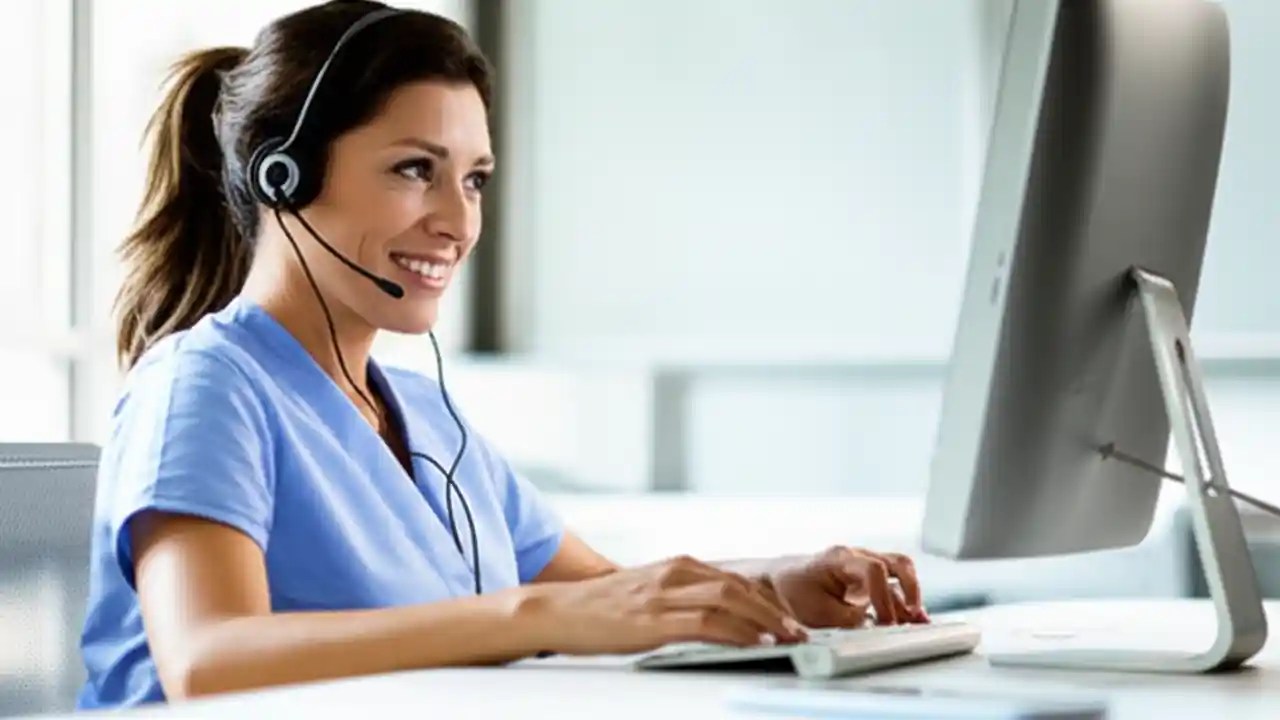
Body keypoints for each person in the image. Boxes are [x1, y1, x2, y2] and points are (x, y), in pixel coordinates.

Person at [77, 0, 929, 709]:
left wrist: (785, 585)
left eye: (475, 178)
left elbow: (602, 591)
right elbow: (206, 658)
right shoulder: (205, 386)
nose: (459, 220)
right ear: (284, 180)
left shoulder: (423, 414)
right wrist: (530, 618)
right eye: (417, 169)